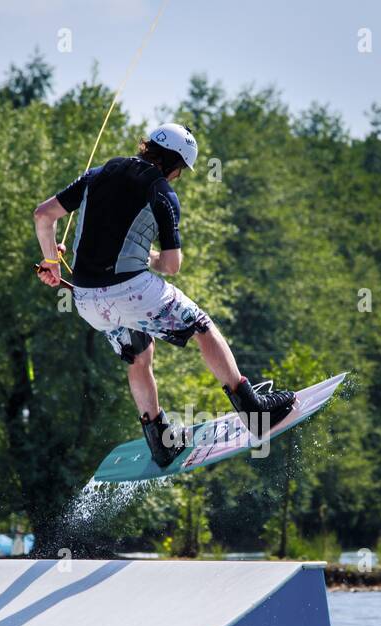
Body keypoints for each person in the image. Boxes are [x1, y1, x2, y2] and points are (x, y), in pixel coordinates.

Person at [33, 123, 296, 467]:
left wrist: (52, 261)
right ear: (177, 168)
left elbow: (43, 215)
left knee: (138, 356)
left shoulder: (99, 173)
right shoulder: (162, 193)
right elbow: (171, 266)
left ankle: (160, 444)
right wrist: (150, 257)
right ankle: (253, 409)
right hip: (131, 291)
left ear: (147, 147)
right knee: (201, 326)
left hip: (86, 301)